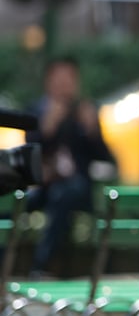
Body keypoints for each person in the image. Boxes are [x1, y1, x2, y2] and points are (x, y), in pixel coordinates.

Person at [24, 56, 115, 277]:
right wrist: (48, 126)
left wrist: (92, 130)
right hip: (42, 184)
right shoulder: (36, 110)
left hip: (75, 186)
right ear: (48, 81)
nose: (65, 85)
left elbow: (108, 159)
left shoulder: (85, 111)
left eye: (70, 79)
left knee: (63, 195)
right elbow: (30, 149)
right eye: (59, 78)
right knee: (12, 203)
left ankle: (41, 266)